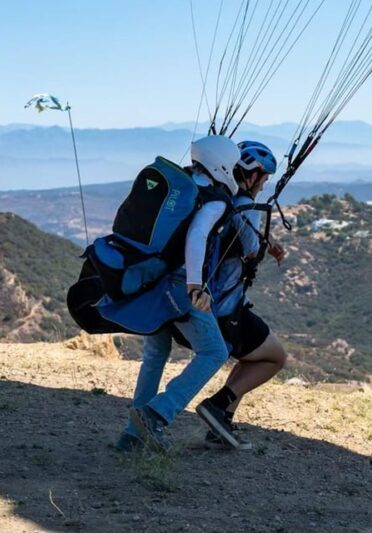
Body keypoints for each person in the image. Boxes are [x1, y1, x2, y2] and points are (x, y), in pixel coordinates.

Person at [118, 135, 242, 453]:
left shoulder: (179, 184)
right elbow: (198, 234)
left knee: (156, 352)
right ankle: (157, 414)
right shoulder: (215, 199)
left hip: (150, 278)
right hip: (178, 284)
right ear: (222, 165)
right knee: (214, 352)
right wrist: (195, 284)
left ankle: (132, 436)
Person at [176, 140, 289, 450]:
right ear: (251, 176)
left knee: (251, 356)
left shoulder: (219, 201)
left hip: (208, 305)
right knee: (274, 357)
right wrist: (265, 247)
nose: (263, 186)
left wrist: (268, 243)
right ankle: (217, 405)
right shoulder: (244, 205)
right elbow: (251, 250)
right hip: (225, 309)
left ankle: (221, 422)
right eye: (263, 179)